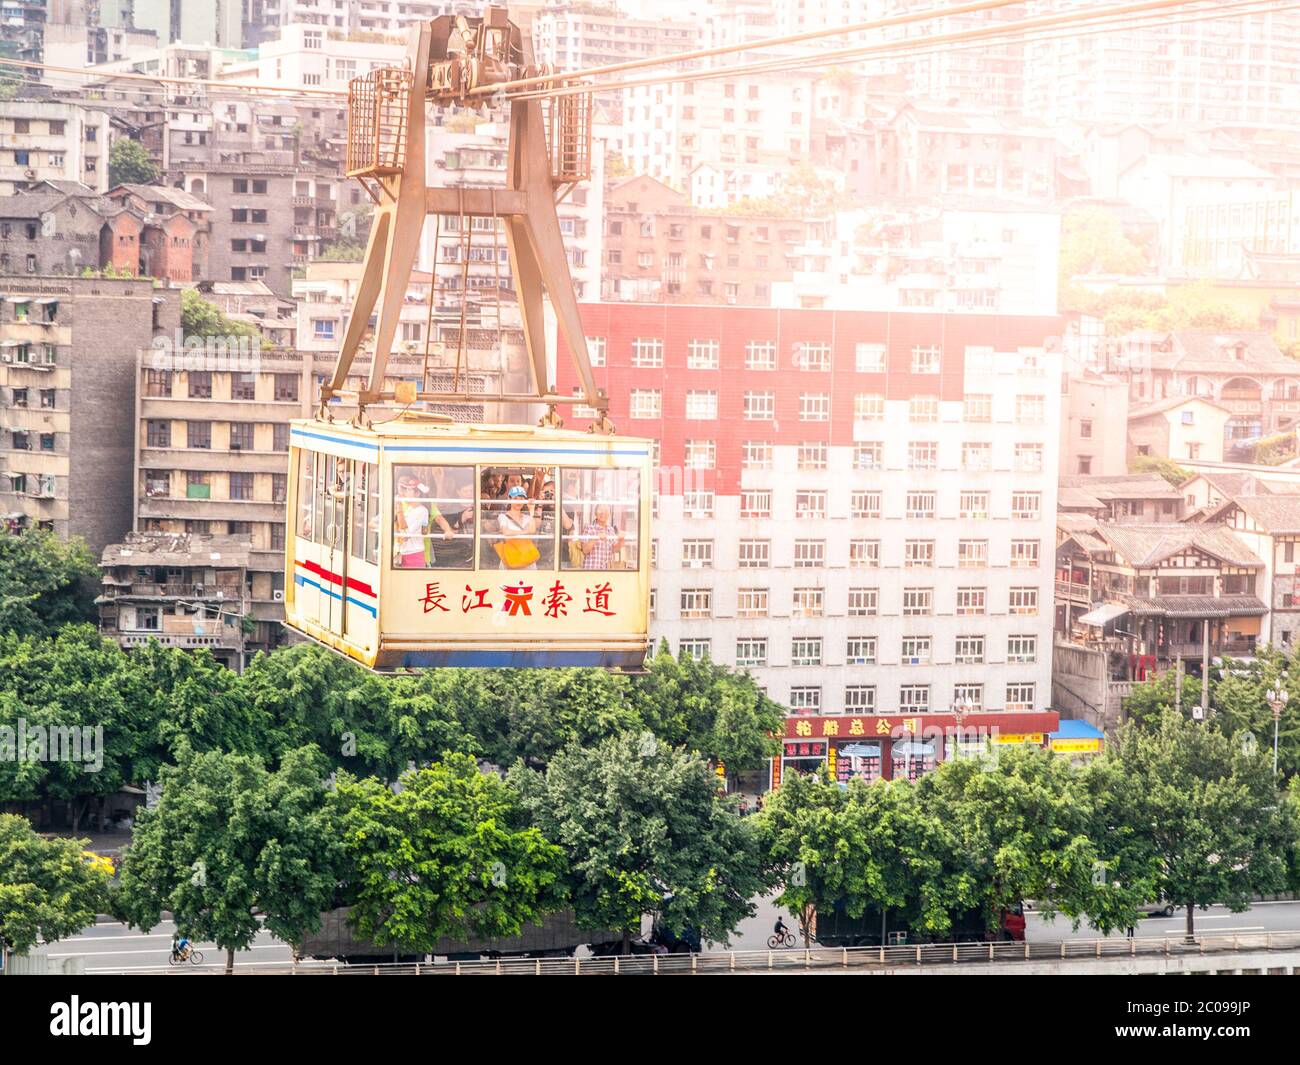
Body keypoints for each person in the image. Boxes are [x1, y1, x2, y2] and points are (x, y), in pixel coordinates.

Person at [395, 472, 454, 568]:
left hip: (417, 552)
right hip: (405, 551)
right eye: (403, 488)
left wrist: (448, 530)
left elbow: (439, 519)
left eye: (408, 489)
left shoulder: (423, 509)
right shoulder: (408, 506)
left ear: (417, 493)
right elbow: (424, 529)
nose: (404, 492)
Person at [494, 486, 539, 570]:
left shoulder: (527, 517)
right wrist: (525, 532)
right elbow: (506, 532)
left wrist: (531, 509)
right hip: (510, 558)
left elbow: (532, 530)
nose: (518, 501)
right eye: (515, 498)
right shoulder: (503, 516)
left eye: (522, 499)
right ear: (509, 499)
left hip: (527, 558)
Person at [577, 503, 625, 570]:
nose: (603, 513)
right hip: (591, 570)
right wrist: (596, 538)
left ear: (609, 514)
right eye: (600, 511)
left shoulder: (610, 529)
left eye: (606, 511)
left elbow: (615, 549)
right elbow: (585, 550)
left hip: (607, 571)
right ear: (595, 514)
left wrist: (621, 540)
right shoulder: (589, 528)